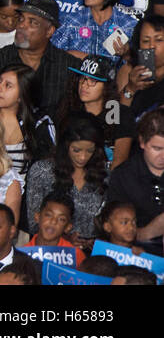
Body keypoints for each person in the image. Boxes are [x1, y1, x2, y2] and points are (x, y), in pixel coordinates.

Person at [0, 0, 72, 118]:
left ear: (49, 31)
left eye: (33, 22)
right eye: (20, 19)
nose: (22, 25)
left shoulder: (68, 67)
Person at [24, 113, 107, 241]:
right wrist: (66, 240)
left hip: (92, 254)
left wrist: (94, 242)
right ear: (65, 145)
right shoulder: (42, 171)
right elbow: (34, 224)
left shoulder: (104, 176)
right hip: (52, 250)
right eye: (76, 150)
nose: (83, 157)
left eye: (89, 151)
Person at [105, 109, 164, 255]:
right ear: (142, 142)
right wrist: (148, 231)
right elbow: (111, 229)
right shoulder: (123, 176)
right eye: (157, 149)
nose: (163, 156)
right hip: (138, 251)